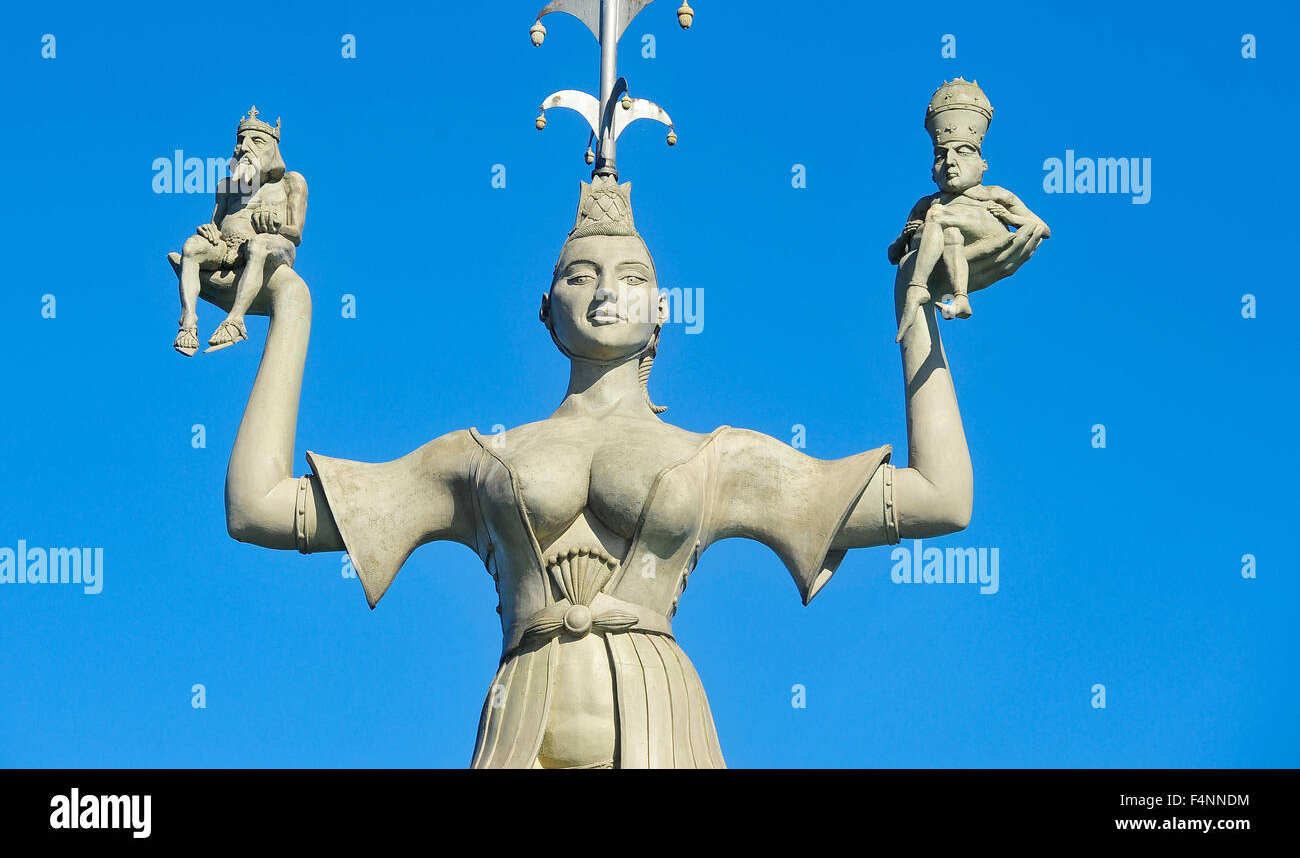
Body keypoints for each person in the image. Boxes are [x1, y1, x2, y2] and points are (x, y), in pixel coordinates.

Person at [217, 163, 1045, 768]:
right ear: (547, 311)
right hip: (520, 731)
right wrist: (290, 310)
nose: (606, 289)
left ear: (661, 313)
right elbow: (257, 507)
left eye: (632, 276)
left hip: (662, 727)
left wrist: (919, 315)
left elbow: (943, 499)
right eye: (581, 274)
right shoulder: (480, 460)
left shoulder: (714, 458)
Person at [889, 79, 1050, 341]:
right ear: (932, 172)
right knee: (949, 231)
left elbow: (1042, 228)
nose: (950, 162)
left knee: (939, 217)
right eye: (941, 156)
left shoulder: (993, 194)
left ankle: (917, 288)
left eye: (963, 152)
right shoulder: (926, 204)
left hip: (992, 237)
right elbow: (893, 254)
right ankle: (960, 298)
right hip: (955, 249)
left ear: (983, 164)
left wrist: (1010, 217)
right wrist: (904, 237)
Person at [173, 107, 307, 355]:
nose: (244, 147)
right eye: (240, 141)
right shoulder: (227, 187)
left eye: (256, 141)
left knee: (259, 245)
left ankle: (235, 322)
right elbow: (215, 224)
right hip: (228, 247)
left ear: (272, 148)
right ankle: (188, 323)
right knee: (191, 247)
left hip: (273, 244)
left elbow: (296, 233)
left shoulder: (290, 182)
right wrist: (209, 231)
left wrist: (275, 225)